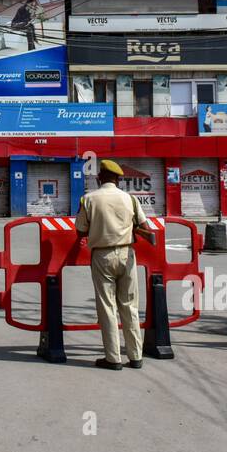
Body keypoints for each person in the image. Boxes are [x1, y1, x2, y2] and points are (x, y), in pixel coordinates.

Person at [75, 159, 157, 370]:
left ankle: (113, 358)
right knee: (130, 306)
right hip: (127, 254)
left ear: (99, 177)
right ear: (119, 179)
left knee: (107, 307)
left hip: (102, 256)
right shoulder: (130, 199)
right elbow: (146, 227)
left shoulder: (88, 199)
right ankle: (136, 356)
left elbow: (81, 230)